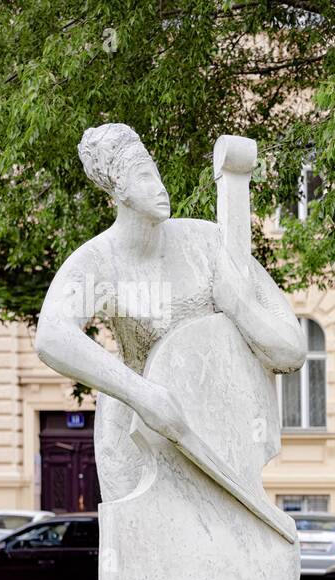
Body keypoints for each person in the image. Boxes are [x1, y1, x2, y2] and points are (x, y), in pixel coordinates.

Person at [35, 123, 305, 502]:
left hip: (212, 429)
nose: (159, 186)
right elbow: (51, 336)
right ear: (119, 189)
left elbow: (291, 351)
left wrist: (239, 305)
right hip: (135, 432)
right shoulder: (100, 261)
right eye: (144, 176)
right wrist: (142, 395)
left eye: (155, 171)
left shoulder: (207, 243)